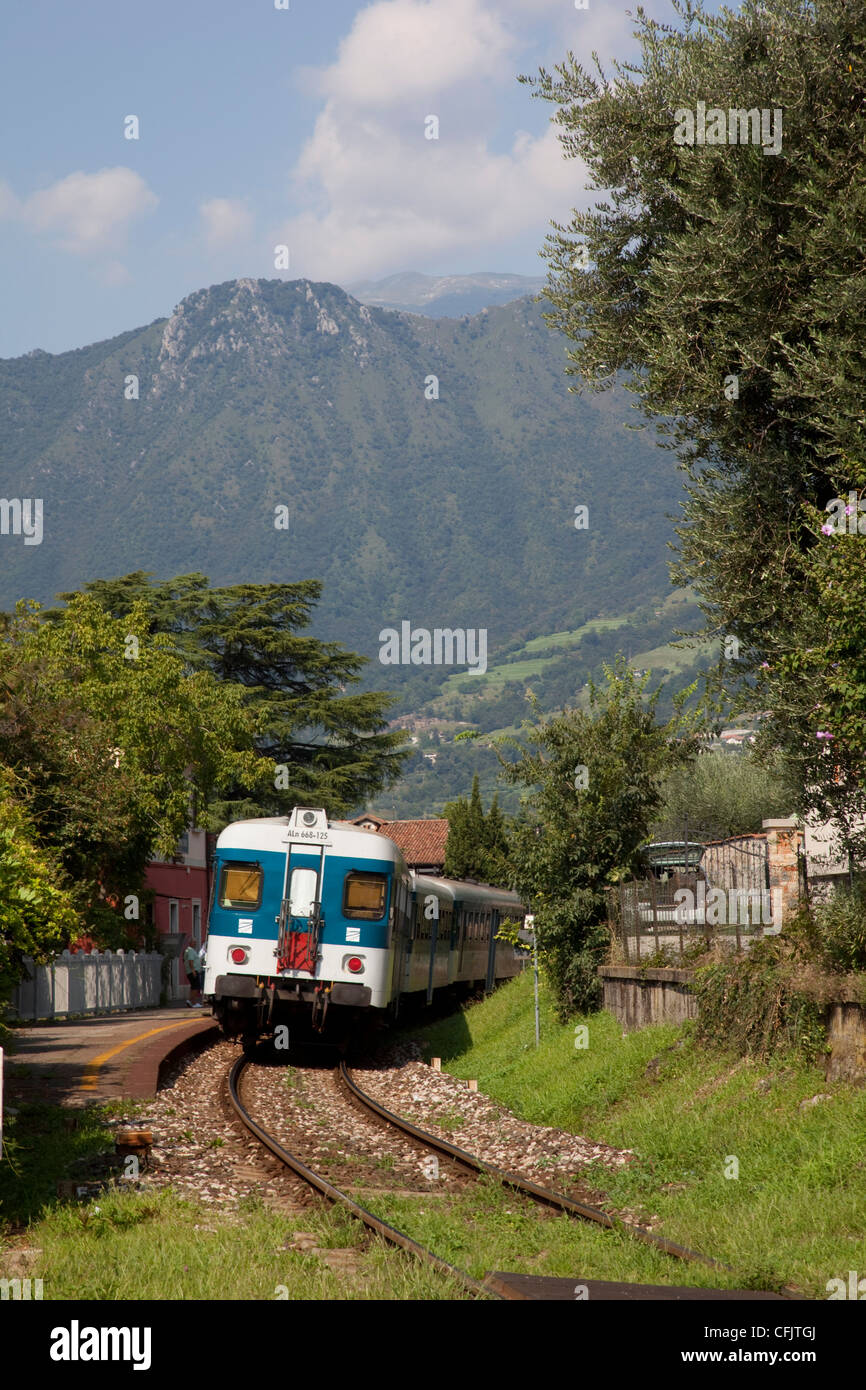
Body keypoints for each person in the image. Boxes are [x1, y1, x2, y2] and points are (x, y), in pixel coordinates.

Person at [183, 940, 202, 1007]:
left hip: (191, 971)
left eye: (195, 943)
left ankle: (190, 1001)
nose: (195, 944)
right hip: (193, 971)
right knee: (196, 987)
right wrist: (193, 971)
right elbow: (190, 961)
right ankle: (192, 1002)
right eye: (194, 943)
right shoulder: (190, 950)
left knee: (193, 987)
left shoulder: (189, 950)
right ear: (190, 943)